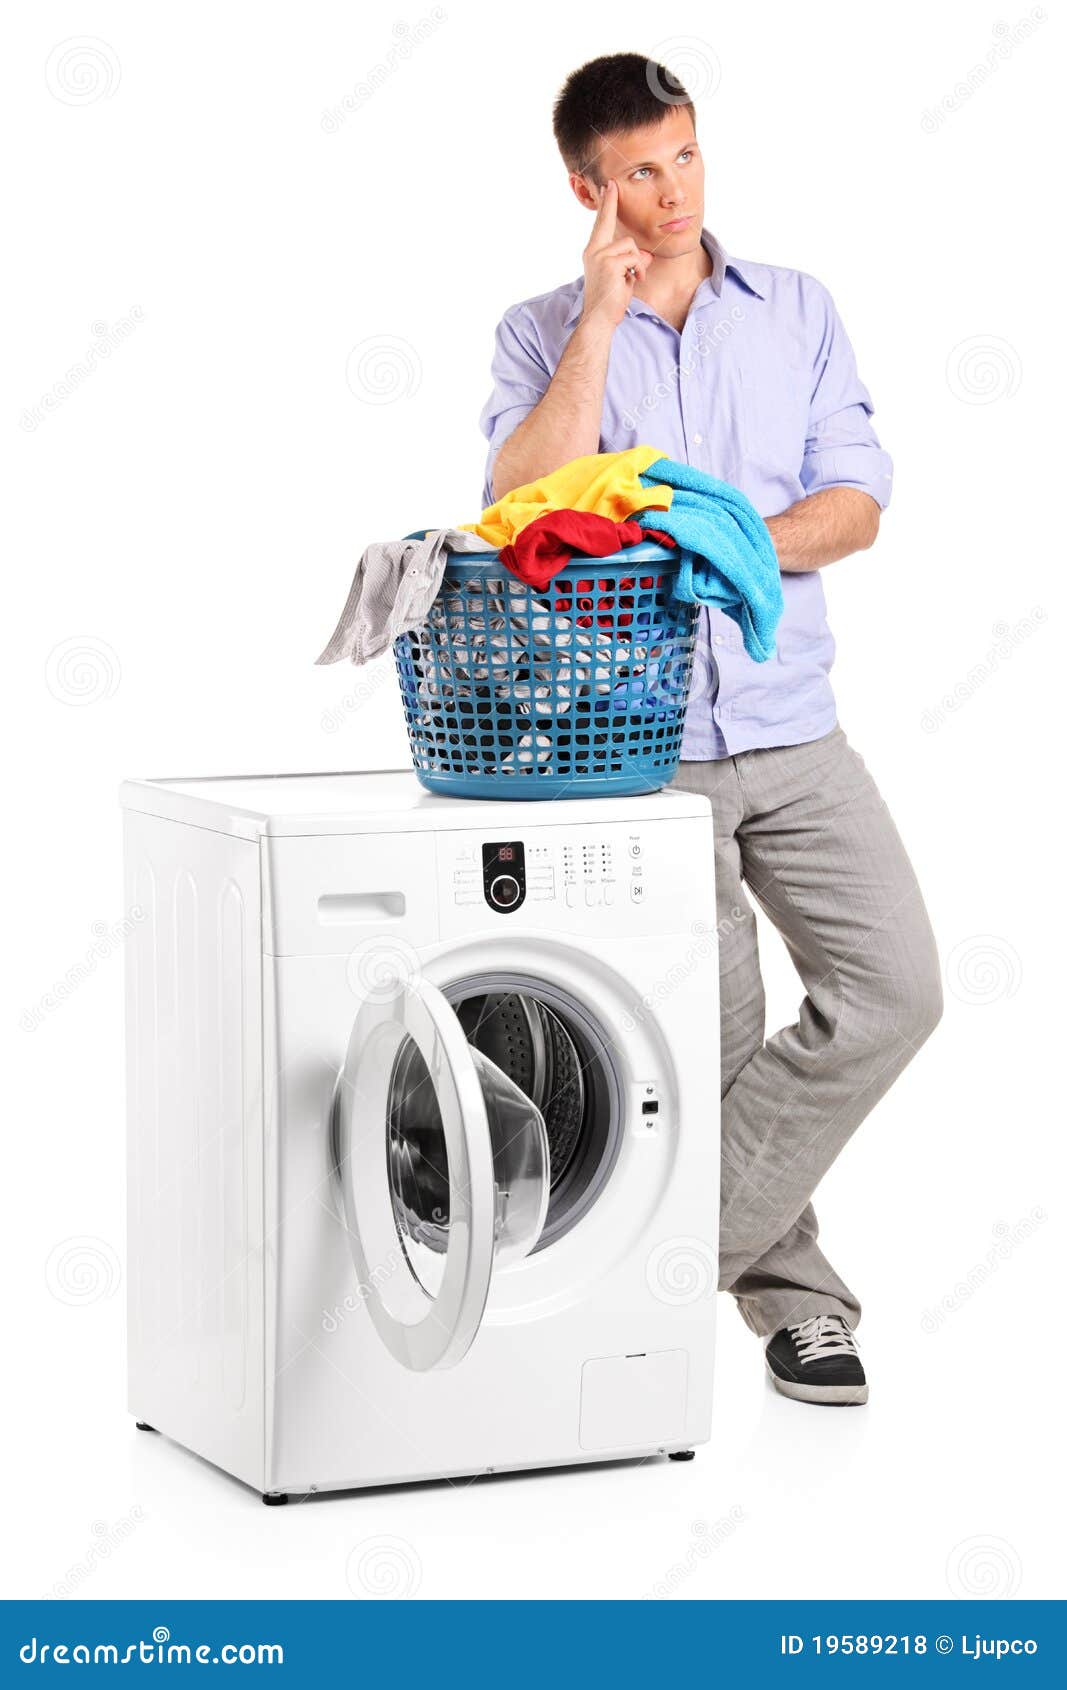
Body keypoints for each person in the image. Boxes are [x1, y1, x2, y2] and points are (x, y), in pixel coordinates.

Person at [475, 52, 943, 1406]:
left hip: (796, 725)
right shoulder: (537, 331)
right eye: (638, 172)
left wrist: (725, 539)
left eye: (683, 157)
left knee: (898, 989)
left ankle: (646, 1277)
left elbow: (857, 499)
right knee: (707, 1041)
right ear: (588, 188)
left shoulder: (794, 309)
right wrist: (599, 321)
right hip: (639, 748)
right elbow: (520, 503)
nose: (671, 190)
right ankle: (801, 1307)